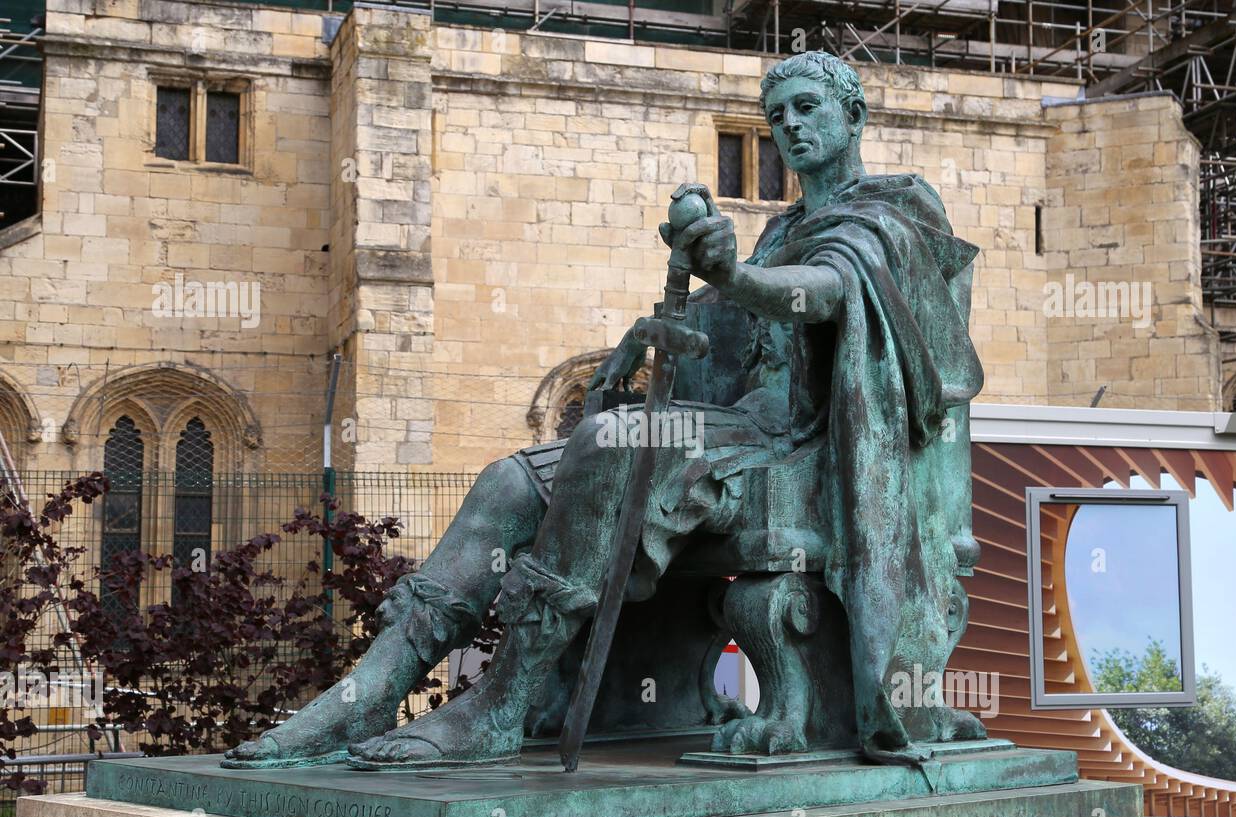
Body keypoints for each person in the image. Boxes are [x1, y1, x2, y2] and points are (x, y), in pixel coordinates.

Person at [225, 50, 983, 770]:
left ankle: (499, 704)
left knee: (611, 442)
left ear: (854, 117)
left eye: (806, 107)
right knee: (507, 482)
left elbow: (824, 293)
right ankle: (367, 693)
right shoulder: (782, 229)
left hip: (811, 445)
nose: (788, 125)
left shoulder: (897, 207)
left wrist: (737, 275)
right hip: (743, 428)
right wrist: (649, 333)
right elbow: (728, 330)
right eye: (775, 113)